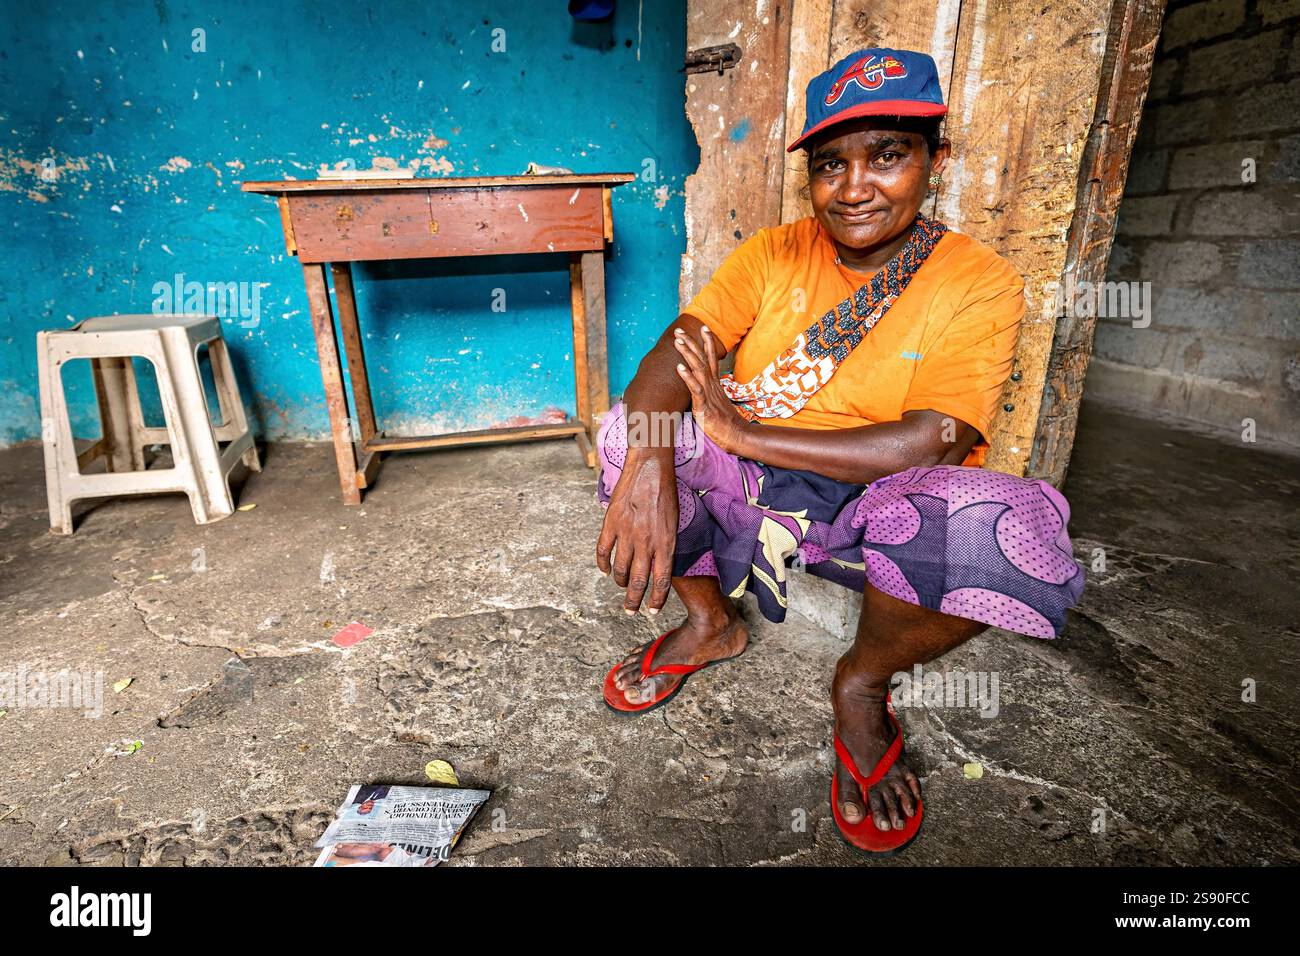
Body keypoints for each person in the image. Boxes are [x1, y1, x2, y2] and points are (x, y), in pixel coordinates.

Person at [593, 47, 1085, 854]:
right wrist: (647, 460)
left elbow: (939, 437)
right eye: (832, 165)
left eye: (888, 154)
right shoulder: (773, 255)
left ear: (936, 159)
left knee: (997, 527)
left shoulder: (979, 280)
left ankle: (860, 685)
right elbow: (679, 348)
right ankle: (712, 622)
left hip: (868, 501)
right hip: (750, 488)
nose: (854, 187)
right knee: (634, 427)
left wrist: (744, 431)